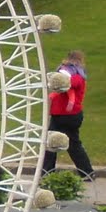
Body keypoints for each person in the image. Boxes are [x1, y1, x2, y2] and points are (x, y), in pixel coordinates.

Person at [40, 49, 94, 180]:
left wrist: (60, 77)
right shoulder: (79, 75)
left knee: (56, 143)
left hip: (66, 115)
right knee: (70, 144)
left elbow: (69, 83)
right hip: (67, 115)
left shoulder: (76, 77)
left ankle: (47, 172)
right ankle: (86, 172)